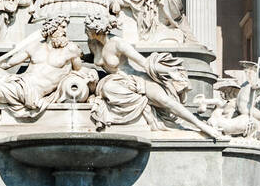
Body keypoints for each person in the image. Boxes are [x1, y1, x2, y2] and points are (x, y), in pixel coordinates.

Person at [85, 13, 221, 137]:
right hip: (115, 80)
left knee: (166, 101)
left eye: (88, 29)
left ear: (97, 30)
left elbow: (143, 62)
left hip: (134, 78)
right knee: (108, 88)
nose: (86, 31)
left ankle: (201, 125)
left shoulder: (118, 44)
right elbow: (91, 59)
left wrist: (169, 71)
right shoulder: (92, 43)